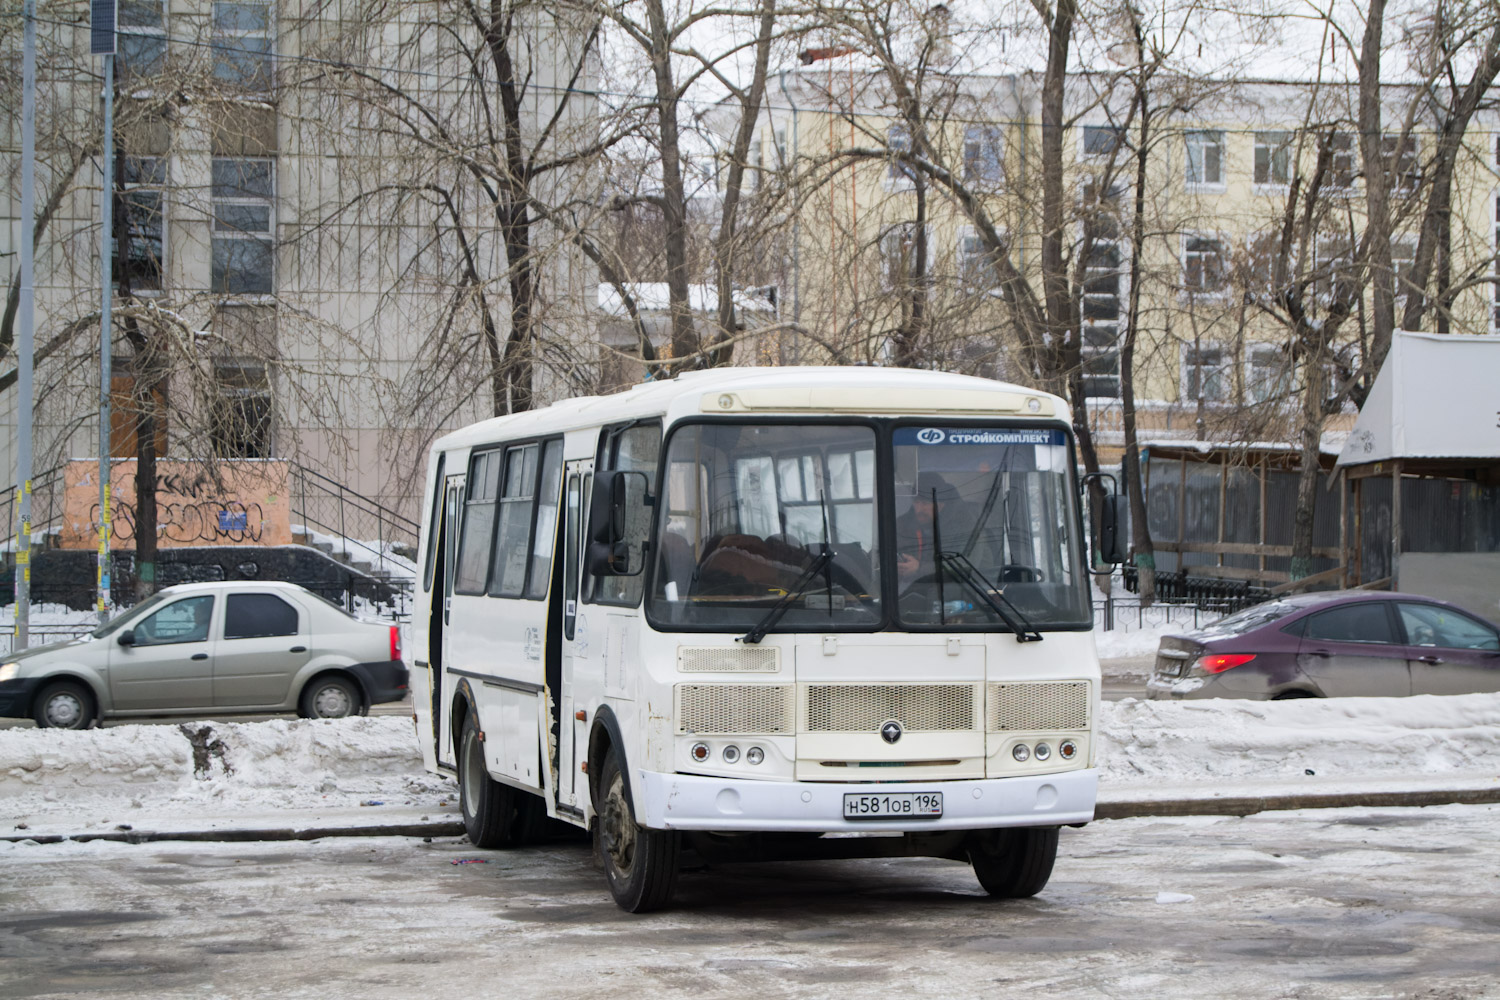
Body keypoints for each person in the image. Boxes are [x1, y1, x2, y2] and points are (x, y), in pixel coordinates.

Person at [895, 471, 970, 593]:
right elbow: (880, 553)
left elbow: (961, 566)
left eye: (925, 503)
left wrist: (919, 568)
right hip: (908, 594)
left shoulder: (964, 527)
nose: (919, 509)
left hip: (955, 594)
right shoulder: (902, 524)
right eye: (916, 502)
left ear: (940, 505)